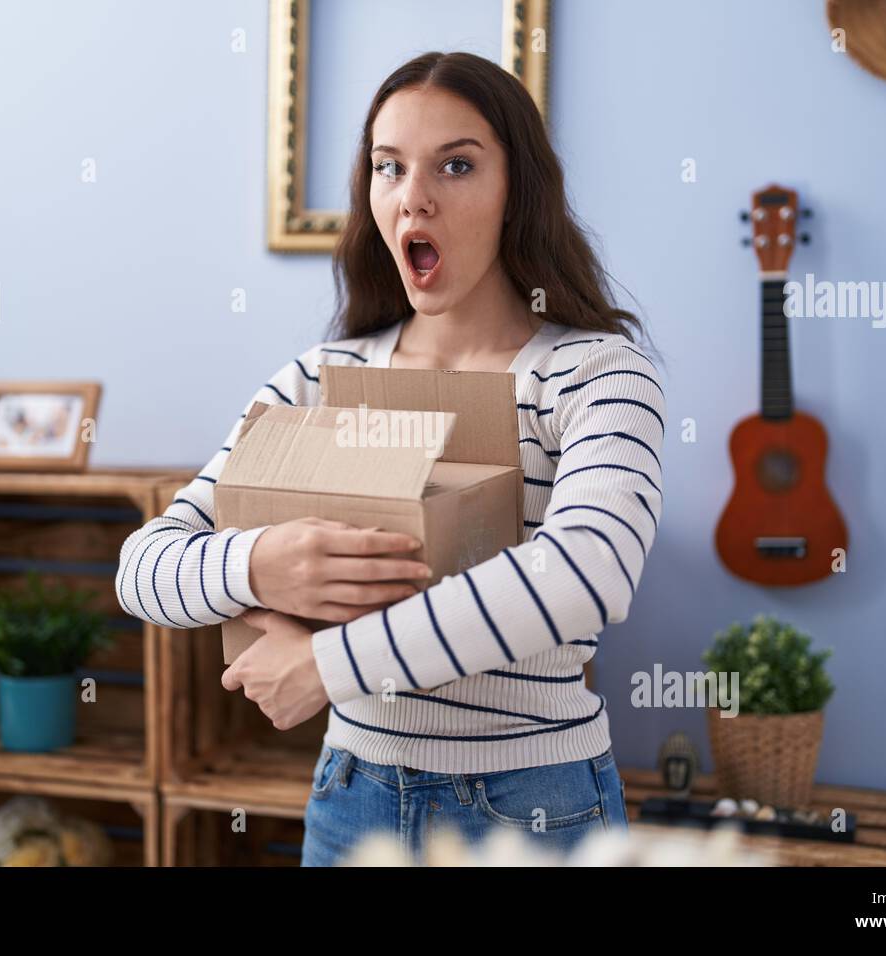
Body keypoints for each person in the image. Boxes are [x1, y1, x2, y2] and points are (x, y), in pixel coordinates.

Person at [116, 51, 664, 866]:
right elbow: (142, 568)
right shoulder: (319, 381)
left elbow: (588, 574)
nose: (415, 195)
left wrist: (331, 664)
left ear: (520, 190)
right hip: (352, 801)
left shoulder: (593, 374)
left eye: (457, 164)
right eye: (388, 167)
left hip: (534, 808)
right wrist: (269, 565)